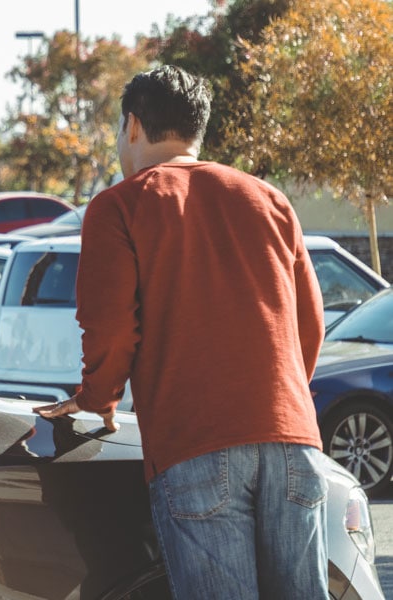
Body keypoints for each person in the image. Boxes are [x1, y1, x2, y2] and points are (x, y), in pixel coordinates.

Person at [34, 65, 328, 599]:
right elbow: (309, 324)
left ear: (132, 127)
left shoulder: (118, 206)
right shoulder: (269, 198)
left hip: (195, 444)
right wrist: (276, 401)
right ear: (199, 132)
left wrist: (97, 399)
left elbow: (110, 328)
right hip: (294, 440)